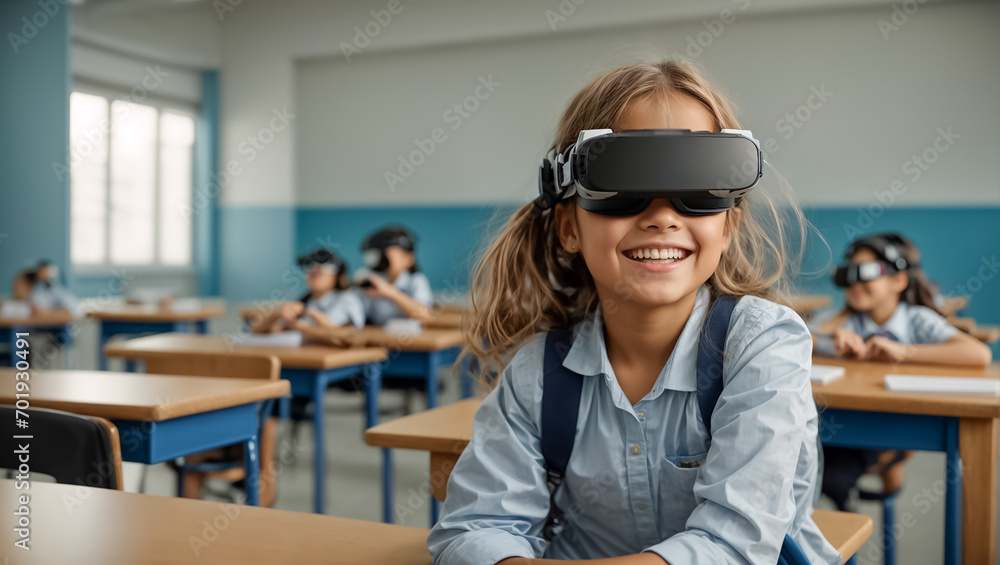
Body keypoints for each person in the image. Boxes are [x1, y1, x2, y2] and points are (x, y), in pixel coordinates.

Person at [428, 60, 841, 564]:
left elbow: (733, 545)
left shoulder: (763, 345)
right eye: (623, 183)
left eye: (696, 186)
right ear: (569, 227)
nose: (663, 216)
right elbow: (474, 529)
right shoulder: (537, 374)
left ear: (728, 226)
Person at [812, 233, 991, 511]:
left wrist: (905, 352)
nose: (855, 283)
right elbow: (799, 335)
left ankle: (889, 471)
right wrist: (829, 339)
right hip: (851, 419)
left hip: (899, 422)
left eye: (866, 273)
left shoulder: (916, 319)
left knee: (835, 475)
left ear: (899, 280)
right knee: (819, 470)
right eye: (849, 274)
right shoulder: (845, 319)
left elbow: (979, 354)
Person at [251, 248, 365, 339]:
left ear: (339, 277)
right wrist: (276, 313)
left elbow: (349, 335)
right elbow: (256, 331)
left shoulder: (347, 299)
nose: (315, 272)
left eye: (323, 269)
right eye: (310, 267)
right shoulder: (304, 302)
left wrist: (301, 325)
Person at [359, 225, 434, 325]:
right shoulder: (374, 281)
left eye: (388, 256)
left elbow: (425, 316)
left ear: (408, 258)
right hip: (377, 336)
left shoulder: (416, 280)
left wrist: (390, 293)